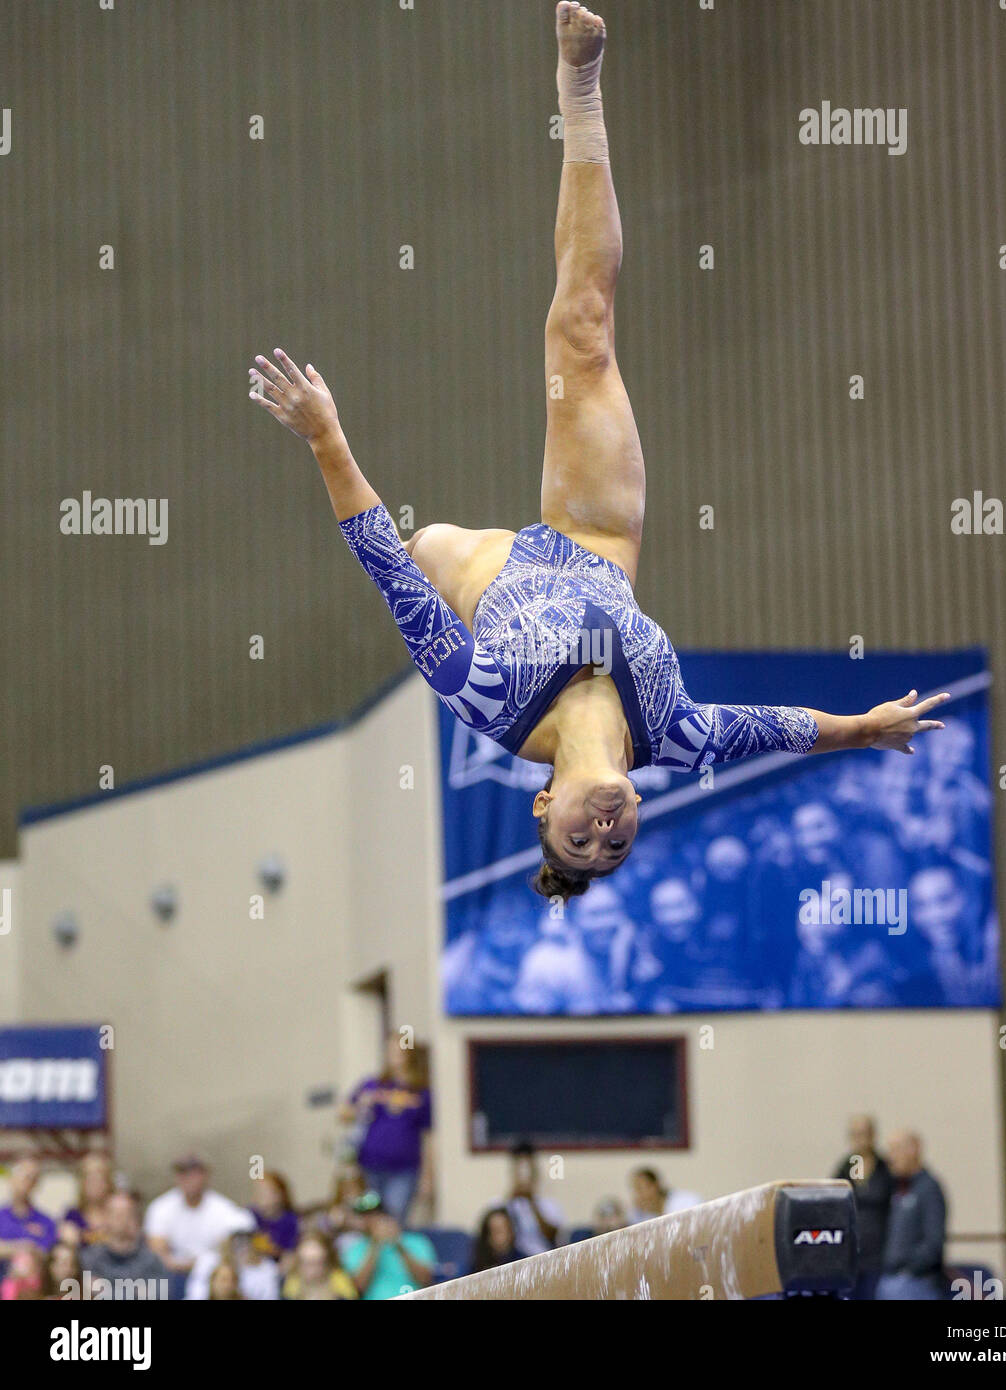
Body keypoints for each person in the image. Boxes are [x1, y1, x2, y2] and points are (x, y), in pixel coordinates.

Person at [249, 1, 951, 904]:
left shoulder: (491, 703)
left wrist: (326, 436)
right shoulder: (675, 735)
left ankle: (452, 538)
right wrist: (862, 728)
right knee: (583, 327)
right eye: (614, 848)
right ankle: (579, 88)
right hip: (596, 538)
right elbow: (780, 729)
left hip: (489, 572)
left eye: (579, 840)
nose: (604, 833)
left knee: (426, 549)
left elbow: (388, 571)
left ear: (542, 805)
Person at [339, 1037, 433, 1221]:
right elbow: (343, 1114)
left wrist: (428, 1176)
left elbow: (428, 1136)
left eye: (399, 1051)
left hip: (405, 1168)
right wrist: (362, 1105)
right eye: (390, 1050)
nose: (394, 1056)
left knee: (394, 1217)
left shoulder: (421, 1092)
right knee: (369, 1216)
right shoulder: (373, 1085)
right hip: (370, 1165)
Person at [143, 1154, 254, 1277]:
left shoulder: (223, 1209)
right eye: (183, 1174)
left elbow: (231, 1247)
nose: (189, 1179)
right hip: (172, 1272)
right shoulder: (161, 1207)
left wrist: (205, 1265)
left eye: (194, 1174)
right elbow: (157, 1249)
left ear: (205, 1176)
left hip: (210, 1274)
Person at [875, 1130, 948, 1300]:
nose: (890, 1158)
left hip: (915, 1284)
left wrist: (907, 1269)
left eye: (895, 1150)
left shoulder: (929, 1189)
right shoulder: (897, 1188)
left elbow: (934, 1241)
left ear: (913, 1150)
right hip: (889, 1279)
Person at [831, 1114, 893, 1300]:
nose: (859, 1139)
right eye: (855, 1135)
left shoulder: (885, 1168)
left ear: (873, 1135)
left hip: (879, 1252)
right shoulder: (848, 1166)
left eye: (863, 1134)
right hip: (851, 1253)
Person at [340, 1191, 436, 1300]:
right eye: (365, 1216)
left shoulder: (416, 1241)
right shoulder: (355, 1248)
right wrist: (375, 1245)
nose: (371, 1220)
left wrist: (398, 1244)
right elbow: (358, 1288)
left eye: (375, 1214)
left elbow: (425, 1279)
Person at [82, 1191, 169, 1299]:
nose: (120, 1219)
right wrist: (136, 1292)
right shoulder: (90, 1258)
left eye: (125, 1213)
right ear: (105, 1218)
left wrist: (104, 1290)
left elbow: (160, 1294)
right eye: (115, 1214)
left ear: (134, 1218)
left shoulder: (151, 1261)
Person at [491, 1144, 563, 1256]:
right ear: (513, 1172)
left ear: (535, 1173)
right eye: (519, 1171)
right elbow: (496, 1240)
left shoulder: (550, 1206)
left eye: (528, 1170)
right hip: (511, 1262)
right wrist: (511, 1199)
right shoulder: (499, 1205)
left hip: (542, 1259)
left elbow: (553, 1237)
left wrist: (532, 1203)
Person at [185, 1230, 280, 1301]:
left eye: (245, 1242)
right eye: (223, 1280)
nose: (241, 1248)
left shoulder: (266, 1267)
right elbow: (194, 1294)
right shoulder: (208, 1260)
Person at [0, 1156, 58, 1257]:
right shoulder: (1, 1217)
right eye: (23, 1175)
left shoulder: (47, 1222)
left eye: (32, 1178)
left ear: (36, 1184)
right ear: (11, 1179)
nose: (26, 1182)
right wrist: (20, 1248)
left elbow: (48, 1255)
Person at [59, 1152, 115, 1248]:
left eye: (100, 1179)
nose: (95, 1185)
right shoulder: (72, 1217)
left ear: (109, 1183)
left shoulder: (117, 1214)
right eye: (90, 1180)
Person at [281, 1233, 358, 1301]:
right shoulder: (290, 1287)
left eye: (317, 1263)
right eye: (305, 1263)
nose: (311, 1271)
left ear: (328, 1261)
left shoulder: (342, 1287)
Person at [250, 1172, 300, 1267]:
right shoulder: (249, 1216)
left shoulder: (290, 1221)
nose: (261, 1196)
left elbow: (289, 1253)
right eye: (258, 1191)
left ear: (280, 1195)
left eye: (266, 1192)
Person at [628, 1168, 701, 1223]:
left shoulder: (687, 1202)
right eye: (635, 1191)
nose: (638, 1196)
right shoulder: (642, 1215)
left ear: (655, 1186)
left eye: (640, 1189)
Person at [471, 1207, 525, 1273]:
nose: (501, 1236)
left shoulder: (523, 1261)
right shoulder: (477, 1263)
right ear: (487, 1236)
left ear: (511, 1232)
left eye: (504, 1230)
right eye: (496, 1231)